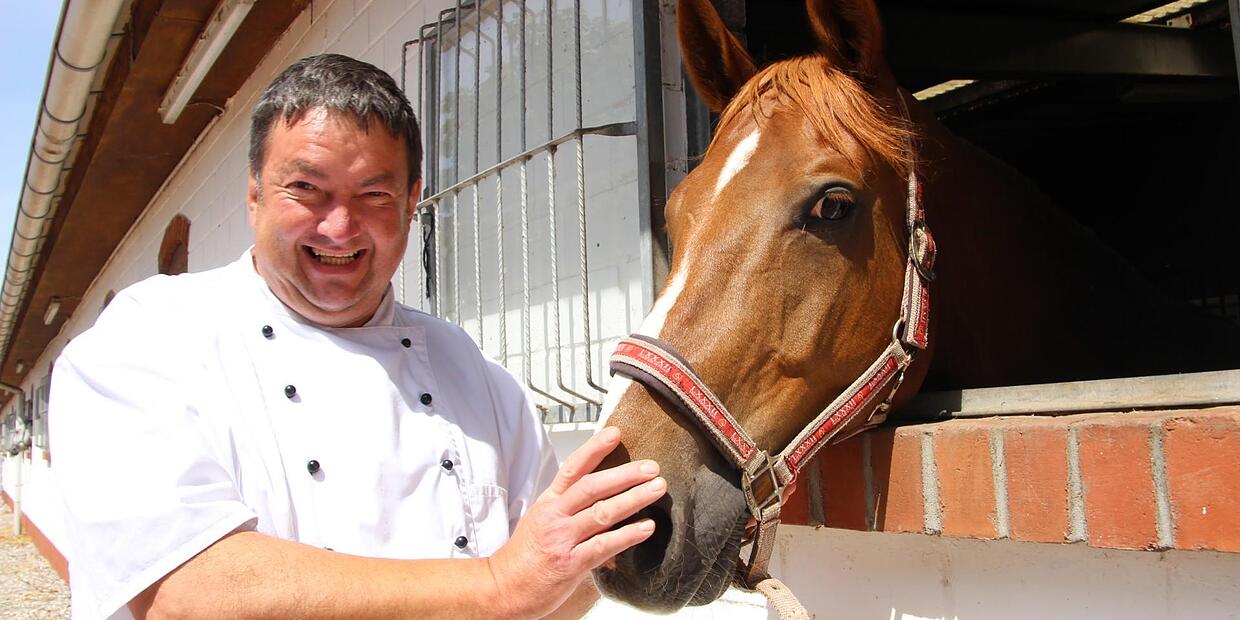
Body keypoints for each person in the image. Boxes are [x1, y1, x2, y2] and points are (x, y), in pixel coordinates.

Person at [49, 53, 664, 620]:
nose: (339, 228)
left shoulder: (474, 375)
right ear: (255, 194)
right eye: (306, 189)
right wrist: (499, 585)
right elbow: (188, 592)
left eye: (374, 193)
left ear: (412, 203)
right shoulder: (150, 336)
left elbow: (547, 591)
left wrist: (608, 557)